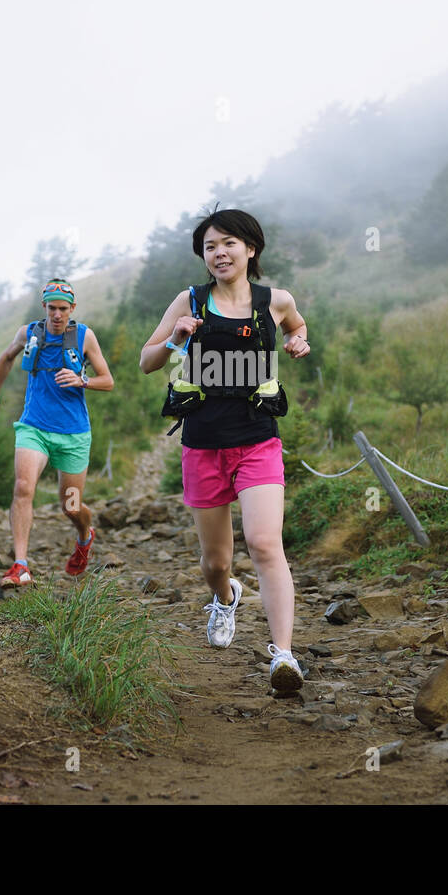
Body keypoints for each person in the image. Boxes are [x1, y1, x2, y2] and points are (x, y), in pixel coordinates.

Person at [139, 208, 311, 693]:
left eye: (229, 243)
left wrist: (298, 342)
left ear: (251, 249)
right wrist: (175, 339)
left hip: (258, 439)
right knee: (216, 563)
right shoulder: (189, 301)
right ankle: (226, 596)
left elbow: (297, 326)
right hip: (203, 444)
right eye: (210, 246)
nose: (219, 252)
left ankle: (284, 656)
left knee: (264, 543)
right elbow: (147, 362)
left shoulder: (275, 301)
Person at [0, 279, 114, 588]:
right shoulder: (28, 333)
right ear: (44, 308)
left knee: (70, 506)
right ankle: (21, 565)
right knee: (23, 487)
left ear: (73, 309)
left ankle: (84, 535)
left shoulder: (84, 336)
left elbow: (108, 380)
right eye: (52, 308)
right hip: (34, 427)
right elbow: (6, 358)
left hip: (73, 434)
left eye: (63, 309)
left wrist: (83, 380)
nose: (57, 315)